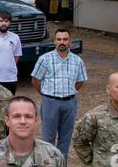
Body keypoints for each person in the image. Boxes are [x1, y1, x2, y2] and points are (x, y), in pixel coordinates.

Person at [31, 28, 87, 159]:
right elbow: (35, 80)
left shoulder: (77, 61)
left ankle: (61, 166)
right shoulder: (45, 59)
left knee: (66, 137)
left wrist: (70, 92)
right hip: (50, 102)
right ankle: (47, 165)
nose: (62, 42)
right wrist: (45, 94)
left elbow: (79, 82)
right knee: (48, 137)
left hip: (69, 103)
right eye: (59, 39)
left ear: (70, 42)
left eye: (65, 39)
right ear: (54, 41)